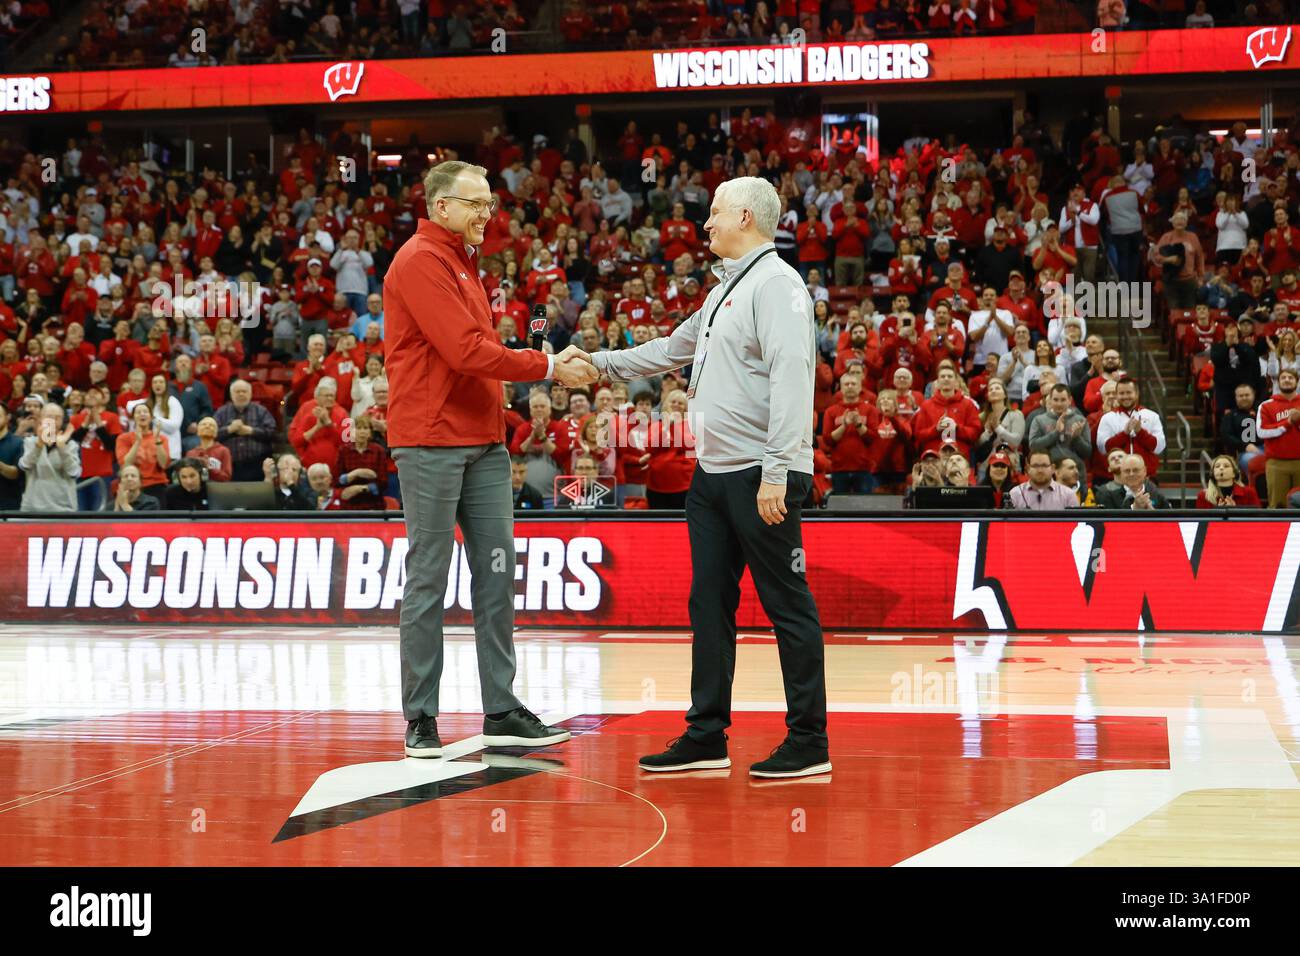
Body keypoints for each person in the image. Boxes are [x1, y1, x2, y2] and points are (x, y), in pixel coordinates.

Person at [589, 176, 830, 779]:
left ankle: (809, 741)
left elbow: (792, 380)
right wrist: (595, 365)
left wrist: (778, 471)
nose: (706, 223)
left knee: (787, 606)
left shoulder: (777, 286)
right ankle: (705, 735)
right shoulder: (727, 288)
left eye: (716, 213)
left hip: (760, 475)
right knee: (709, 604)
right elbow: (671, 349)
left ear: (745, 216)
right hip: (714, 475)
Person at [384, 160, 595, 759]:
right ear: (441, 206)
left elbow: (478, 353)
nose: (487, 214)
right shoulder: (422, 260)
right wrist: (548, 366)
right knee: (428, 576)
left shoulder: (462, 262)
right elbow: (465, 350)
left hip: (482, 439)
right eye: (476, 203)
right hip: (431, 439)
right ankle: (420, 717)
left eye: (490, 204)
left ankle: (500, 708)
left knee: (497, 574)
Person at [19, 402, 80, 512]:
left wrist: (62, 449)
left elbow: (74, 473)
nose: (53, 421)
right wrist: (39, 445)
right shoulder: (30, 442)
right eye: (49, 417)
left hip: (64, 508)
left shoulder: (71, 445)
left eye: (57, 417)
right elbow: (25, 466)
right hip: (32, 507)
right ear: (40, 419)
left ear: (62, 421)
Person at [215, 379, 277, 481]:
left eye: (244, 391)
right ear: (231, 395)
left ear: (250, 394)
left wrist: (250, 431)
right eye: (237, 391)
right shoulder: (221, 412)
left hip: (257, 464)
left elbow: (273, 433)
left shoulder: (261, 411)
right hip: (229, 465)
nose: (241, 394)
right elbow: (212, 435)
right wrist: (229, 429)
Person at [1256, 367, 1300, 508]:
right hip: (1276, 463)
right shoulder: (1266, 405)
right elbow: (1262, 432)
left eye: (1290, 378)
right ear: (1278, 382)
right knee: (1277, 506)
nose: (1287, 380)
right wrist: (1287, 423)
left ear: (1297, 382)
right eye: (1283, 378)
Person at [1006, 449, 1080, 510]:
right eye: (1035, 466)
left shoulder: (1068, 495)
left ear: (1053, 468)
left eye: (1044, 465)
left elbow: (1075, 524)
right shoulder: (1015, 494)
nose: (1040, 470)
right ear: (1028, 469)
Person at [1093, 453, 1171, 509]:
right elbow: (1109, 525)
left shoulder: (1156, 494)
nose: (1131, 474)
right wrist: (1134, 508)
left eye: (1136, 470)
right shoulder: (1108, 496)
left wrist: (1151, 511)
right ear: (1121, 473)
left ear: (1144, 471)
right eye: (1127, 471)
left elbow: (1170, 522)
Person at [1196, 454, 1261, 508]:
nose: (1221, 468)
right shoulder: (1203, 495)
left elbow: (1258, 518)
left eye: (1226, 466)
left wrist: (1235, 511)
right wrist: (1217, 513)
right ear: (1213, 473)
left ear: (1234, 473)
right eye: (1217, 466)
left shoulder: (1249, 493)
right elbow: (1201, 521)